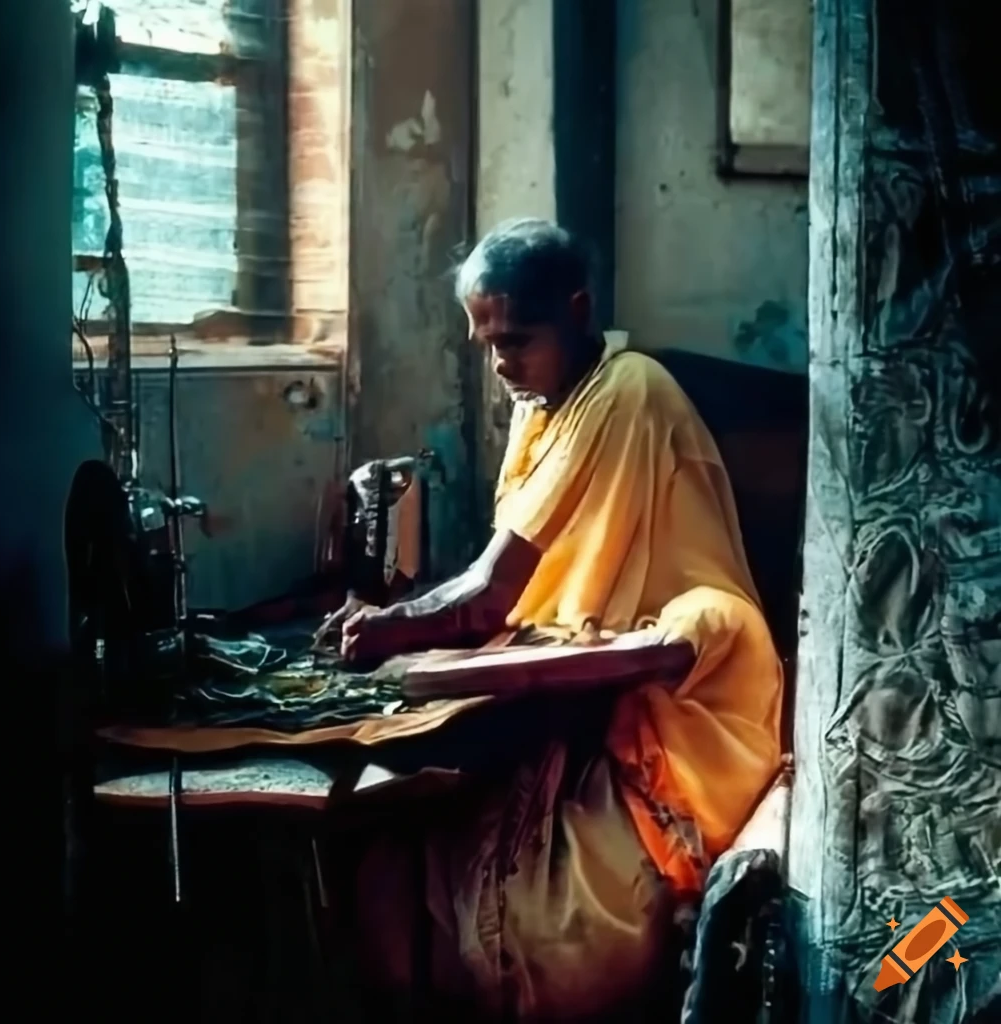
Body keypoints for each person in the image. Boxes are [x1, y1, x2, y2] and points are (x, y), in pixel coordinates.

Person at [331, 218, 784, 1022]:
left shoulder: (626, 393)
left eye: (518, 339)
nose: (501, 362)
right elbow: (512, 606)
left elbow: (493, 594)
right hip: (570, 691)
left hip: (638, 709)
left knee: (407, 871)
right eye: (486, 345)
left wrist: (396, 633)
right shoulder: (540, 406)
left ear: (579, 311)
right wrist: (413, 635)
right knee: (378, 847)